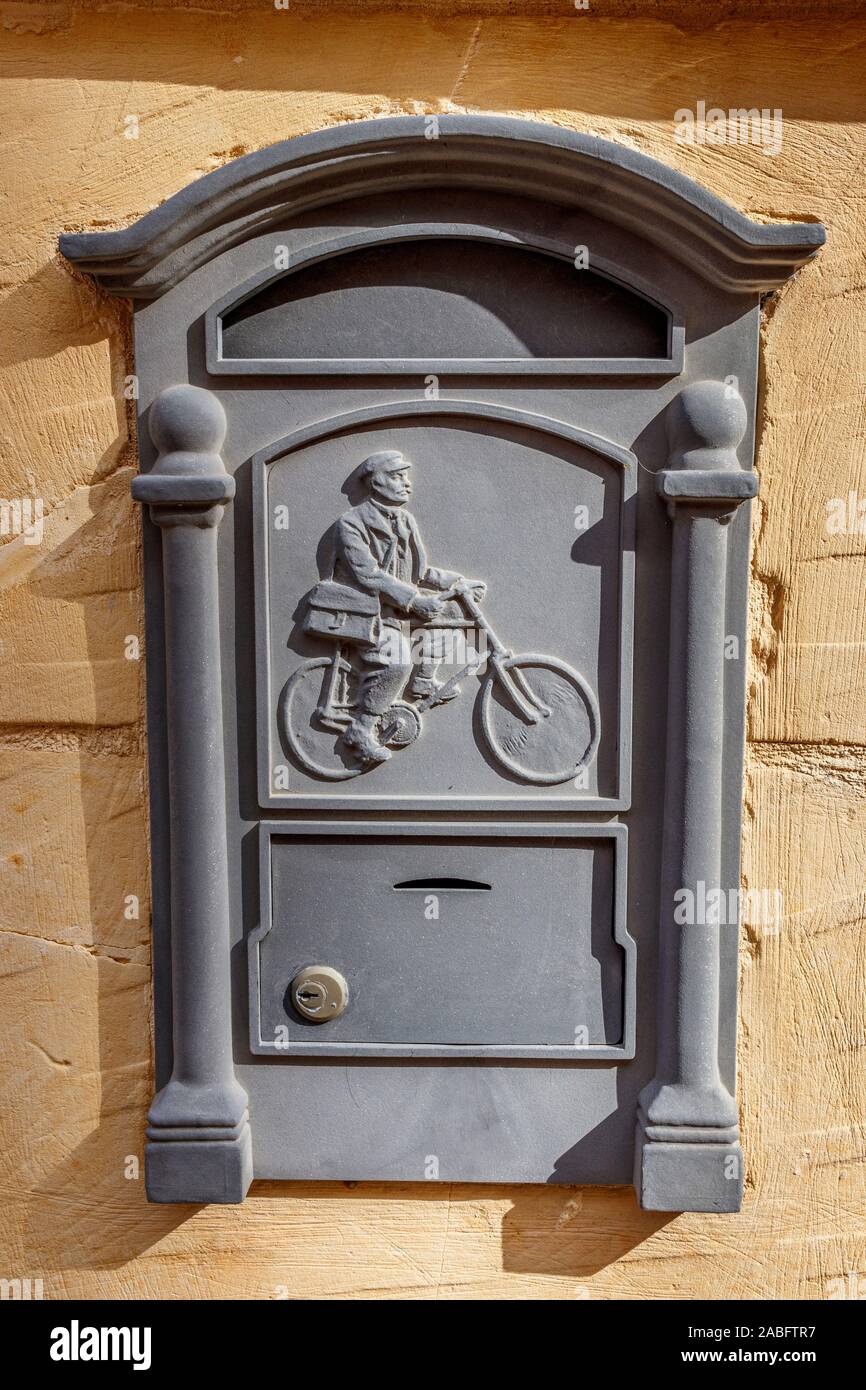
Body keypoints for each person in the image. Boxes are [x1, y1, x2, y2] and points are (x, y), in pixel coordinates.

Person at [324, 450, 485, 764]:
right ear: (377, 482)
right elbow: (367, 575)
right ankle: (361, 728)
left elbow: (421, 572)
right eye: (398, 477)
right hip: (365, 614)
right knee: (397, 659)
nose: (407, 484)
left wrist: (459, 583)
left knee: (453, 612)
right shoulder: (351, 524)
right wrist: (415, 601)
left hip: (398, 610)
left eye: (405, 476)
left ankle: (424, 681)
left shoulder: (405, 520)